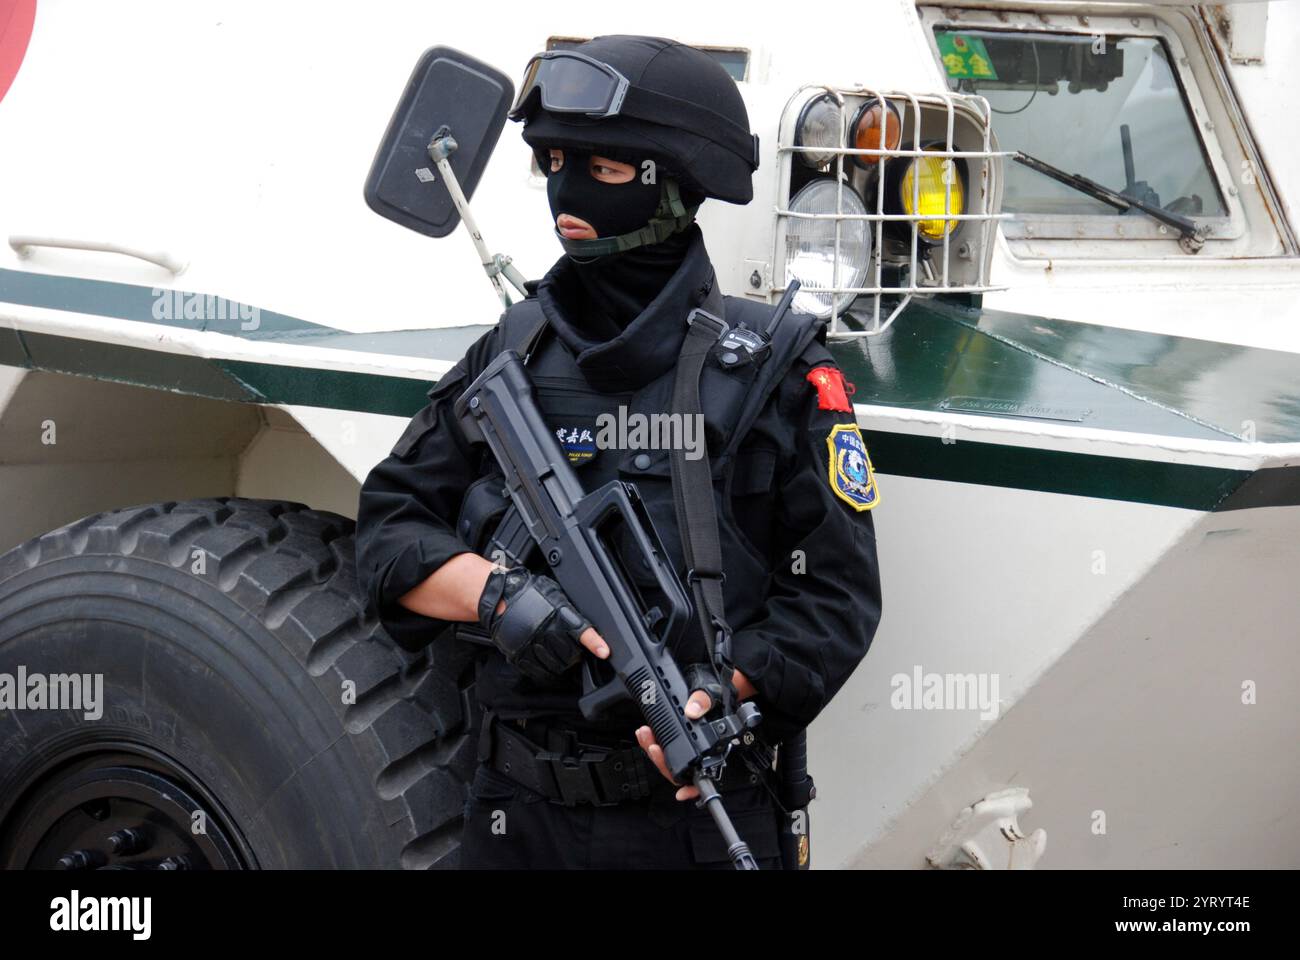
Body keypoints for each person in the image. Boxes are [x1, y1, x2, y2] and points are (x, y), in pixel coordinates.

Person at [354, 34, 882, 870]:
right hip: (515, 820)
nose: (565, 191)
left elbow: (835, 603)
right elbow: (387, 527)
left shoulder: (777, 371)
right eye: (555, 162)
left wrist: (724, 695)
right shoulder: (512, 353)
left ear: (675, 186)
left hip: (693, 820)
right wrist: (497, 599)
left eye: (600, 171)